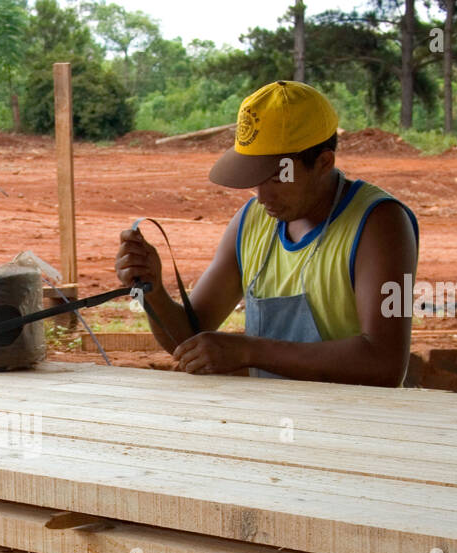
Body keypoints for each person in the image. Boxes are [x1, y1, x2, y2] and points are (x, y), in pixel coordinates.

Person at [114, 81, 419, 386]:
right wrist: (152, 291)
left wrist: (250, 350)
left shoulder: (381, 225)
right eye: (255, 178)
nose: (262, 196)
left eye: (276, 177)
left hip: (357, 425)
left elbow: (385, 363)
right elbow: (190, 339)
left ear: (324, 162)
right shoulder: (251, 222)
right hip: (272, 418)